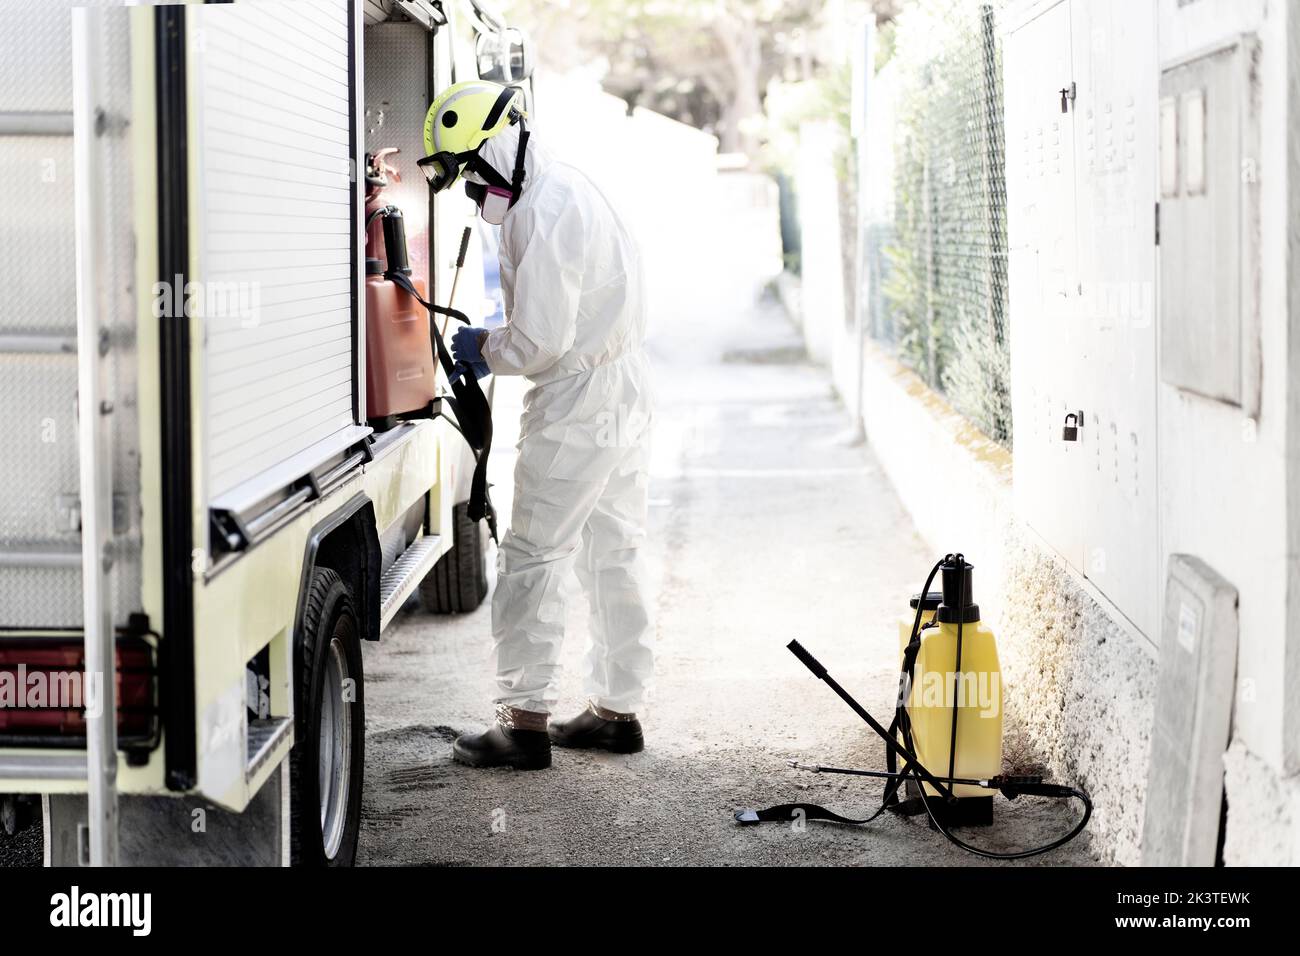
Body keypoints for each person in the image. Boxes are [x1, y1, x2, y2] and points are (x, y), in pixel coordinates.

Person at [419, 80, 655, 770]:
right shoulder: (568, 187)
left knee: (533, 553)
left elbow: (541, 340)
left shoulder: (540, 208)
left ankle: (522, 721)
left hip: (579, 396)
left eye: (470, 175)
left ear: (493, 145)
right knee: (615, 547)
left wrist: (486, 349)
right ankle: (617, 711)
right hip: (626, 387)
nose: (472, 194)